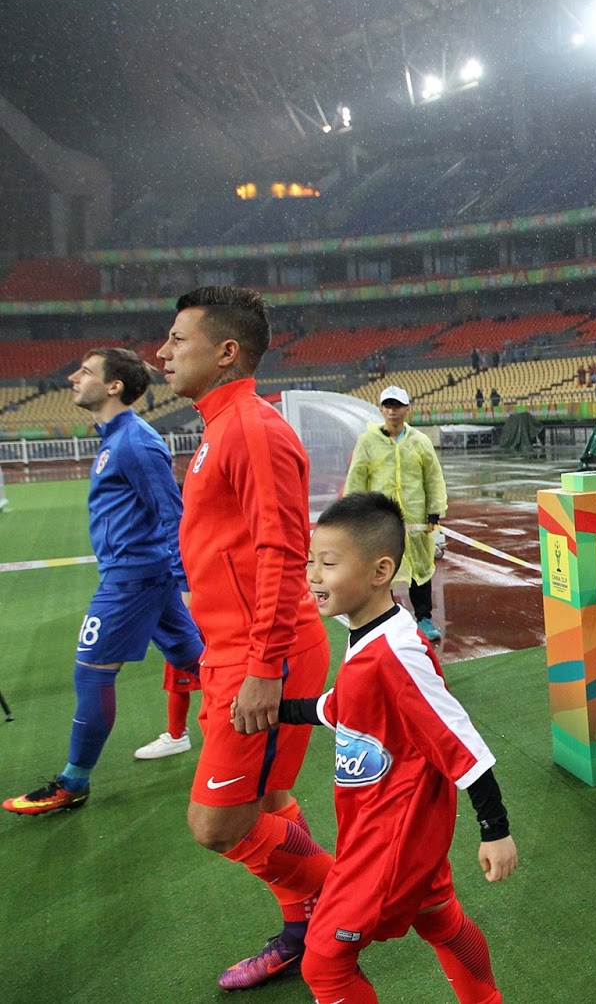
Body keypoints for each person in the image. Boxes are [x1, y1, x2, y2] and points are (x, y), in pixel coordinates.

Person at [156, 286, 334, 990]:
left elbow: (281, 552)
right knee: (263, 803)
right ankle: (306, 922)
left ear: (227, 352)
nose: (161, 353)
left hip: (266, 656)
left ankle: (351, 895)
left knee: (216, 825)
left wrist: (262, 667)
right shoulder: (219, 426)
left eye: (176, 340)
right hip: (238, 651)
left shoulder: (252, 430)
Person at [278, 492, 516, 1003]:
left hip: (390, 841)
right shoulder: (365, 633)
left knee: (323, 962)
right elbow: (344, 708)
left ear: (380, 570)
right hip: (386, 828)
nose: (313, 576)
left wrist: (494, 829)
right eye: (310, 561)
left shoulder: (396, 651)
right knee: (441, 921)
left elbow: (460, 742)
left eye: (329, 563)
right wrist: (280, 712)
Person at [4, 348, 205, 816]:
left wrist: (184, 582)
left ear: (114, 386)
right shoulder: (117, 437)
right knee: (198, 662)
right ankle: (269, 720)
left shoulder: (136, 442)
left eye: (86, 371)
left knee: (91, 672)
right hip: (142, 576)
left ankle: (73, 783)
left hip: (132, 581)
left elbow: (173, 514)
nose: (73, 377)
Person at [343, 386, 448, 644]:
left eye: (397, 406)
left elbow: (433, 478)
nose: (392, 411)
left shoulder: (420, 442)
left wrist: (434, 511)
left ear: (406, 408)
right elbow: (357, 478)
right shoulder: (368, 442)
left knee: (419, 569)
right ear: (381, 409)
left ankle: (423, 618)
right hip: (381, 520)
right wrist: (354, 512)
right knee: (381, 568)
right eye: (388, 406)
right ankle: (384, 620)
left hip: (416, 518)